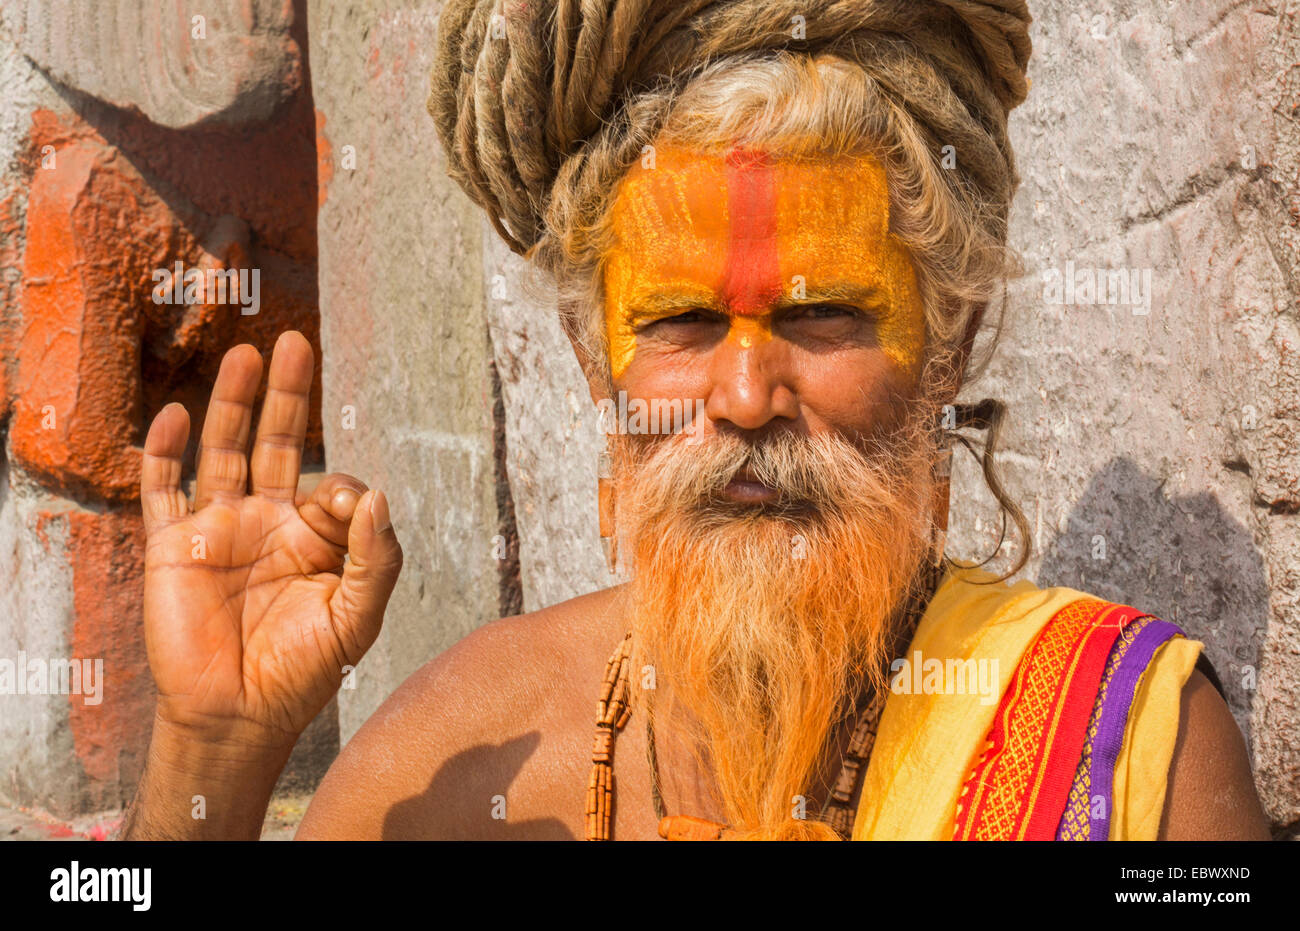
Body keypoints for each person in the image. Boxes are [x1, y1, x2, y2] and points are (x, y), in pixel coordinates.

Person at [119, 0, 1270, 841]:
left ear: (949, 345)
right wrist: (207, 759)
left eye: (823, 313)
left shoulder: (1130, 763)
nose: (742, 397)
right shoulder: (460, 758)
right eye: (676, 320)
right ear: (589, 357)